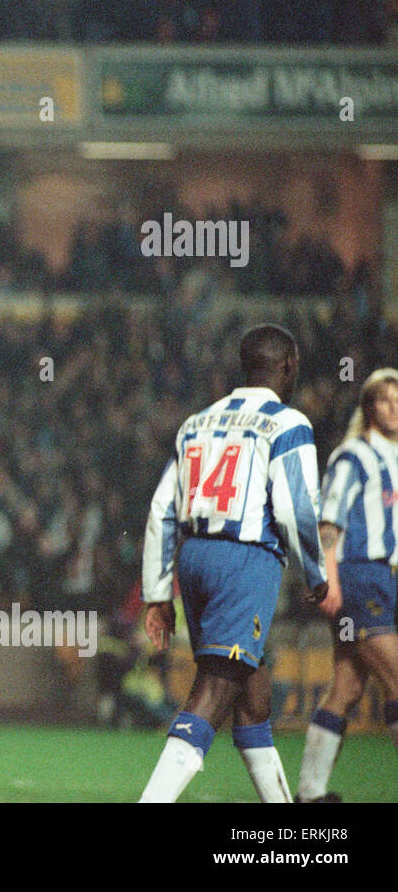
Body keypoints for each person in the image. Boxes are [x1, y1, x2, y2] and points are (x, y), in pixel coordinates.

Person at [139, 325, 327, 802]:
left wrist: (159, 595)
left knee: (252, 702)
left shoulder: (195, 422)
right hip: (245, 562)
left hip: (195, 558)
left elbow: (163, 509)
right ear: (289, 365)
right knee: (215, 690)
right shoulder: (289, 424)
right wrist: (316, 572)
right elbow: (294, 508)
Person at [297, 367, 398, 801]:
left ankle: (309, 792)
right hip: (358, 577)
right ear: (368, 407)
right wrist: (330, 580)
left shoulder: (393, 459)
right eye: (384, 400)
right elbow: (330, 520)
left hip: (383, 577)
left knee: (348, 687)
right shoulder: (353, 455)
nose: (393, 409)